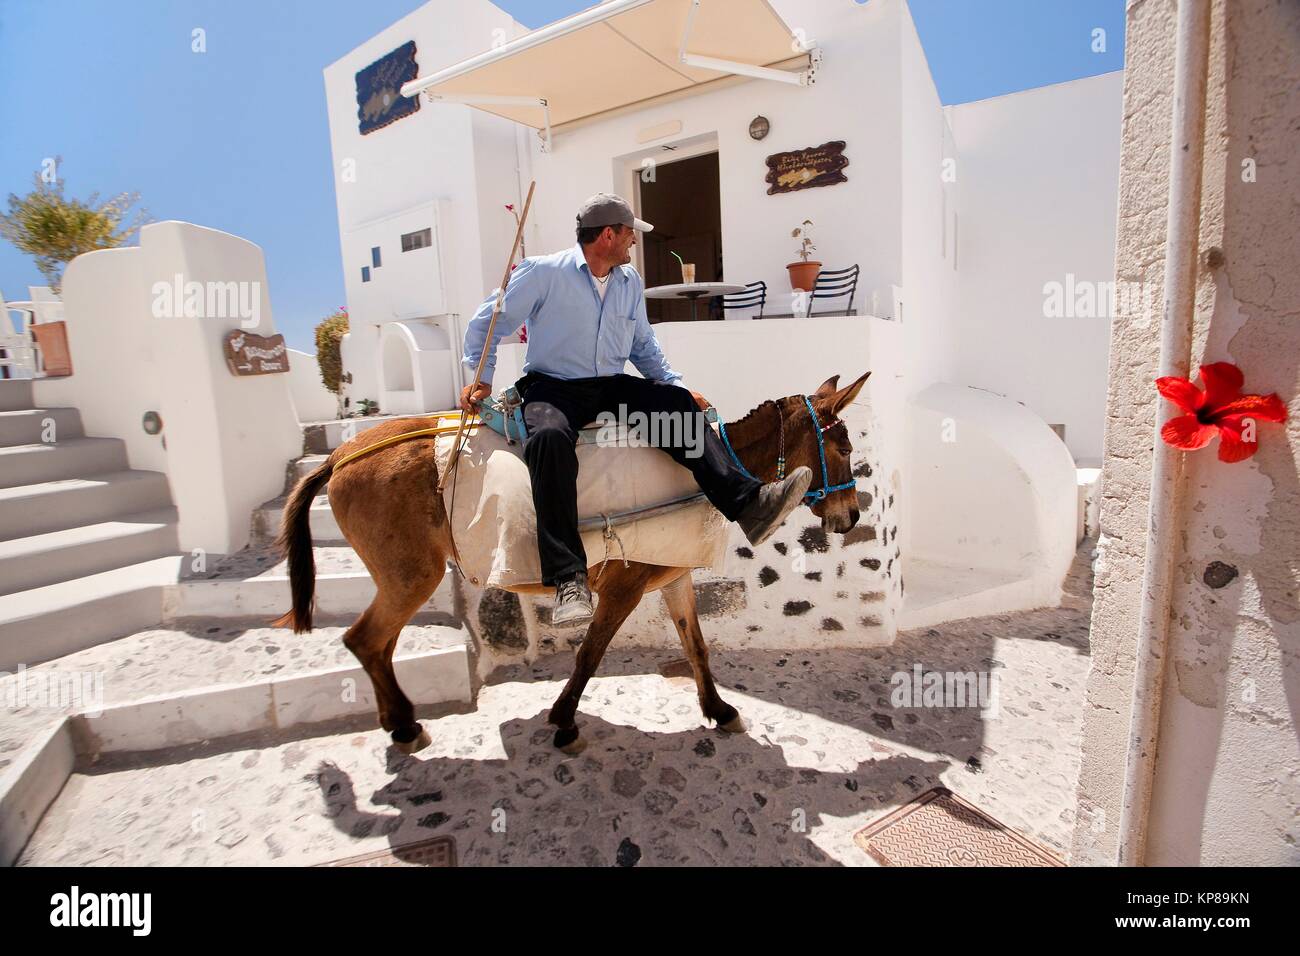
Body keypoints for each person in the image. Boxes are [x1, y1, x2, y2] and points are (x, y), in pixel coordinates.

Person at [460, 192, 810, 625]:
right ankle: (569, 579)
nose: (634, 243)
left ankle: (750, 505)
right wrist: (480, 376)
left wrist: (677, 387)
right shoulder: (543, 273)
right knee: (548, 439)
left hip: (610, 386)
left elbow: (643, 346)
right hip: (552, 387)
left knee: (677, 407)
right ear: (608, 235)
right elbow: (487, 322)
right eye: (630, 234)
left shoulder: (629, 283)